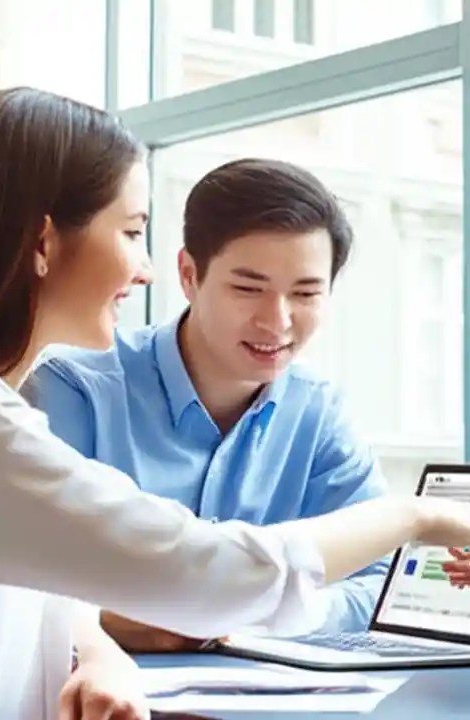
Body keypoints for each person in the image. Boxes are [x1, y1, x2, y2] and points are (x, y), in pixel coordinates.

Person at [0, 87, 470, 720]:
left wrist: (105, 650)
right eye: (130, 232)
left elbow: (50, 585)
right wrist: (415, 516)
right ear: (42, 242)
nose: (142, 268)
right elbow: (208, 572)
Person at [23, 157, 392, 652]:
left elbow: (384, 586)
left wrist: (256, 617)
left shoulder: (318, 413)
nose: (277, 321)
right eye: (248, 289)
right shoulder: (76, 390)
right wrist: (107, 623)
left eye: (305, 293)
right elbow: (23, 582)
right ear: (188, 274)